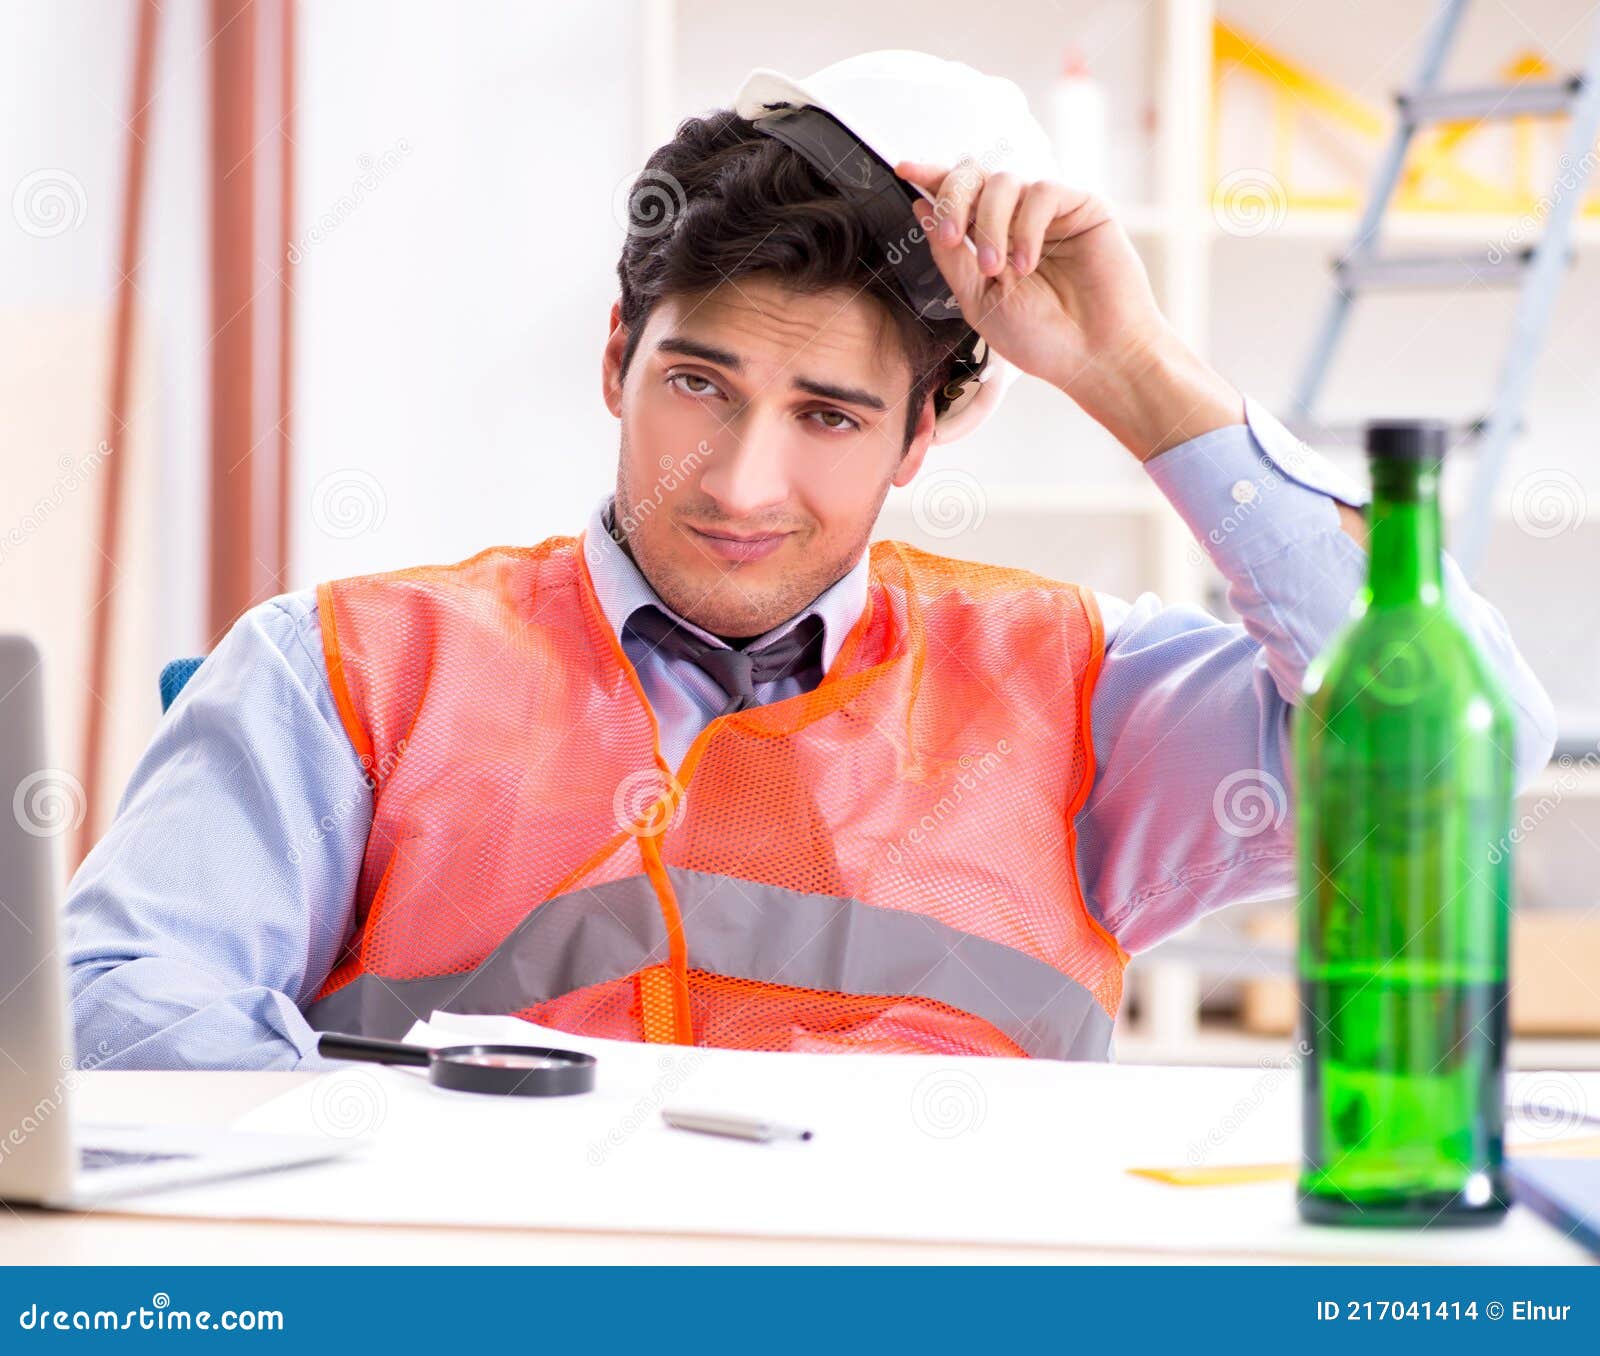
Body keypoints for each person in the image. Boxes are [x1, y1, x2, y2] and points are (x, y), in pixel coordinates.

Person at [64, 51, 1555, 1070]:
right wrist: (420, 1144)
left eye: (831, 415)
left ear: (923, 438)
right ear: (614, 358)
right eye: (698, 384)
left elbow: (1452, 746)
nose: (739, 482)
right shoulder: (344, 668)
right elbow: (104, 1002)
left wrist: (1140, 373)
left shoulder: (1084, 691)